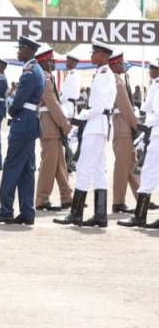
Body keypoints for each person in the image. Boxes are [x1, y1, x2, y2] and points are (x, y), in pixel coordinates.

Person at [55, 42, 117, 227]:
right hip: (98, 126)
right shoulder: (102, 73)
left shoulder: (104, 75)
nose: (92, 55)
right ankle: (100, 216)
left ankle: (76, 213)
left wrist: (79, 118)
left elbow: (97, 107)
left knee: (84, 167)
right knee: (98, 170)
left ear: (104, 55)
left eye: (95, 53)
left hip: (96, 125)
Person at [0, 37, 45, 226]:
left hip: (23, 121)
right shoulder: (36, 69)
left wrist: (11, 111)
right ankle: (27, 211)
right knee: (27, 169)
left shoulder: (29, 72)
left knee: (11, 166)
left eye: (20, 49)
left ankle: (6, 210)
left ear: (28, 50)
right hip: (29, 122)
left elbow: (19, 99)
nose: (18, 52)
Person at [34, 47, 74, 212]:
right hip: (50, 125)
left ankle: (67, 197)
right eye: (52, 61)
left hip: (52, 125)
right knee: (49, 164)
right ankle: (42, 199)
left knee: (59, 164)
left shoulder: (47, 77)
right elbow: (53, 105)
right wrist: (65, 125)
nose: (55, 63)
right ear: (44, 62)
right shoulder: (45, 79)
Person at [120, 58, 159, 228]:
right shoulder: (154, 86)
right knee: (149, 172)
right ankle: (140, 216)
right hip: (154, 133)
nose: (150, 71)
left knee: (149, 172)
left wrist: (143, 125)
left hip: (157, 134)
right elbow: (147, 108)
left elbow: (155, 115)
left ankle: (140, 216)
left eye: (154, 68)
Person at [108, 52, 140, 214]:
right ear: (114, 65)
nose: (123, 66)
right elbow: (126, 107)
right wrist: (137, 126)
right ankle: (118, 202)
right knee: (122, 166)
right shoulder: (116, 81)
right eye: (120, 64)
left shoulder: (117, 79)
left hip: (123, 124)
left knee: (130, 164)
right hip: (124, 125)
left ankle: (141, 197)